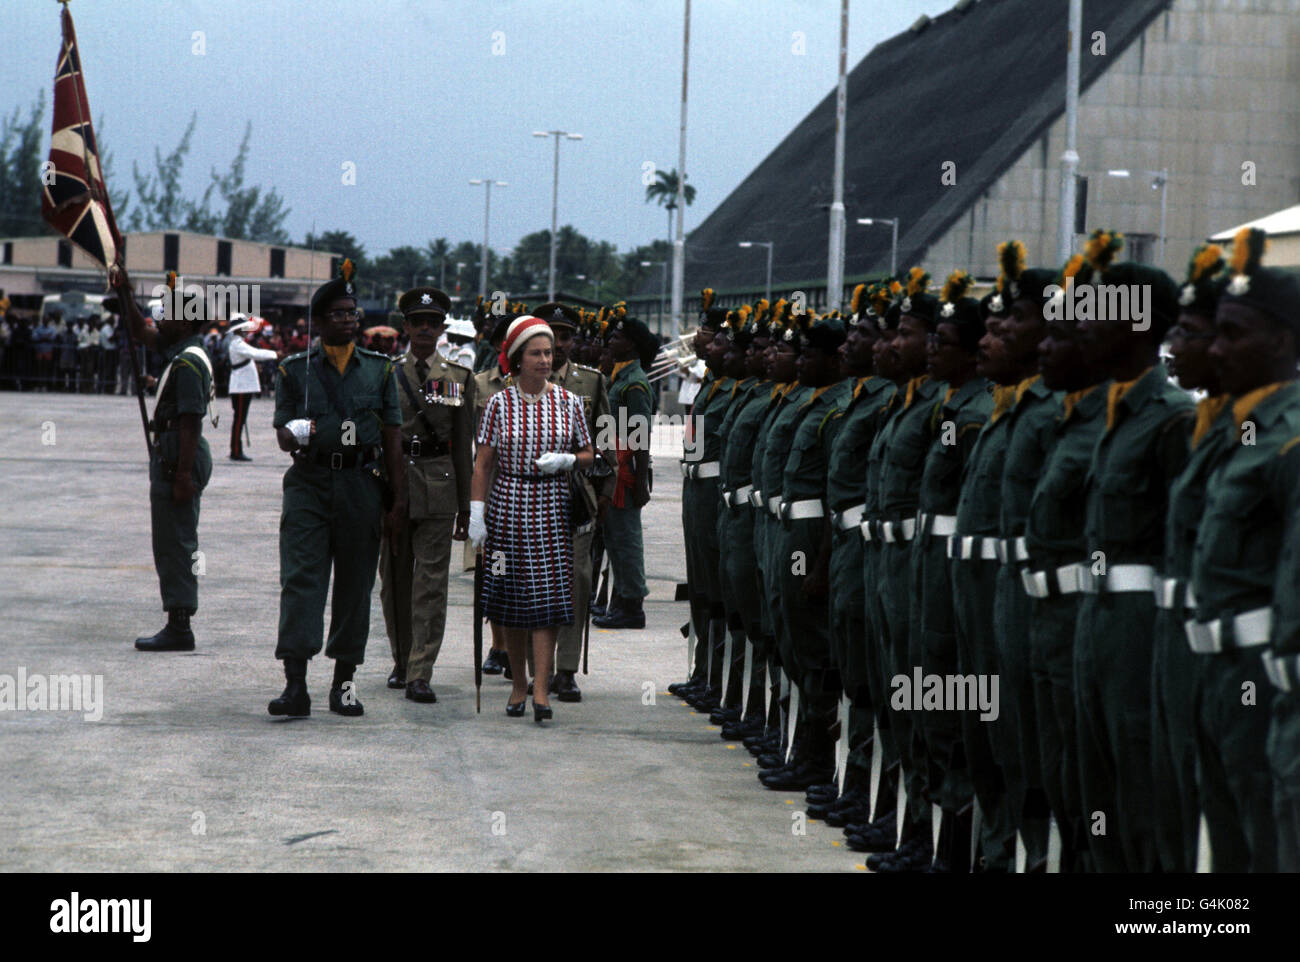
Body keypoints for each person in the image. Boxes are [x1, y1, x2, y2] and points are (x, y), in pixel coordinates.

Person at [1071, 231, 1192, 872]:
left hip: (1141, 632)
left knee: (1141, 790)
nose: (1083, 325)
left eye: (1099, 312)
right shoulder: (1113, 411)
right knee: (1098, 789)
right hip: (1096, 624)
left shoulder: (1171, 417)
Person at [1196, 227, 1297, 871]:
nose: (1215, 348)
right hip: (1219, 664)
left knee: (1264, 842)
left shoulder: (1287, 441)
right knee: (1229, 838)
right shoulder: (1244, 431)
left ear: (1284, 341)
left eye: (1234, 334)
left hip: (1261, 673)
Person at [267, 260, 407, 719]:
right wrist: (293, 433)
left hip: (361, 485)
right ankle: (295, 685)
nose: (350, 318)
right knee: (301, 581)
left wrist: (396, 501)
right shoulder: (293, 371)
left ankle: (344, 684)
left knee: (354, 586)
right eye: (340, 312)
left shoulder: (381, 371)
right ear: (320, 321)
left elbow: (391, 439)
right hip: (308, 484)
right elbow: (282, 434)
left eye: (354, 312)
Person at [468, 315, 595, 723]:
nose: (544, 360)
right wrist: (476, 514)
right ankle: (518, 683)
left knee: (548, 601)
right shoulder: (497, 404)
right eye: (535, 353)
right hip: (507, 508)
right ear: (517, 358)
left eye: (549, 353)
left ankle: (542, 689)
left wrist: (567, 460)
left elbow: (591, 454)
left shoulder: (570, 402)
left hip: (553, 509)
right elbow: (483, 464)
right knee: (511, 602)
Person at [1150, 243, 1230, 872]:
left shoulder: (1278, 439)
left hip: (1247, 662)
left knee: (1239, 823)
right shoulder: (1202, 425)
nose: (1176, 345)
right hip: (1178, 635)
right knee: (1165, 793)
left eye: (1192, 331)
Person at [107, 268, 214, 653]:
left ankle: (180, 625)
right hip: (173, 453)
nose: (160, 318)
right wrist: (125, 296)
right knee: (171, 539)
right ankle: (177, 619)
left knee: (176, 542)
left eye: (168, 312)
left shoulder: (188, 361)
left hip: (178, 455)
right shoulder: (183, 350)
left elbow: (191, 421)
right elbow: (140, 332)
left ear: (185, 321)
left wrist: (183, 474)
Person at [378, 287, 474, 704]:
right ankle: (401, 660)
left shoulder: (458, 378)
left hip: (439, 487)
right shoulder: (386, 373)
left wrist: (468, 505)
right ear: (406, 327)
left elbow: (463, 444)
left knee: (430, 585)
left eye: (432, 323)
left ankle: (421, 670)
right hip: (393, 487)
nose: (424, 329)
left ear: (441, 328)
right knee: (394, 583)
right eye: (417, 322)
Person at [534, 301, 614, 701]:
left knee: (577, 581)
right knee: (535, 581)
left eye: (564, 337)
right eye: (550, 336)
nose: (559, 345)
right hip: (529, 496)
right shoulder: (519, 382)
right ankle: (537, 669)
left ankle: (565, 670)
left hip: (577, 497)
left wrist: (605, 495)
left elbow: (607, 444)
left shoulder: (591, 382)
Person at [592, 309, 656, 630]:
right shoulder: (617, 377)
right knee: (615, 539)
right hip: (612, 467)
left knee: (627, 540)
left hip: (628, 470)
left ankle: (633, 607)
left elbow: (641, 434)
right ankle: (621, 603)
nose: (610, 341)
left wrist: (641, 481)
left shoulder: (635, 384)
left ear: (631, 345)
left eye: (616, 337)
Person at [227, 315, 280, 461]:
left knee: (239, 419)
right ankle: (236, 451)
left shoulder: (239, 343)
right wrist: (275, 354)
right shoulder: (238, 344)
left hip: (242, 385)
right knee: (239, 420)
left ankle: (236, 448)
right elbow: (255, 353)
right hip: (241, 386)